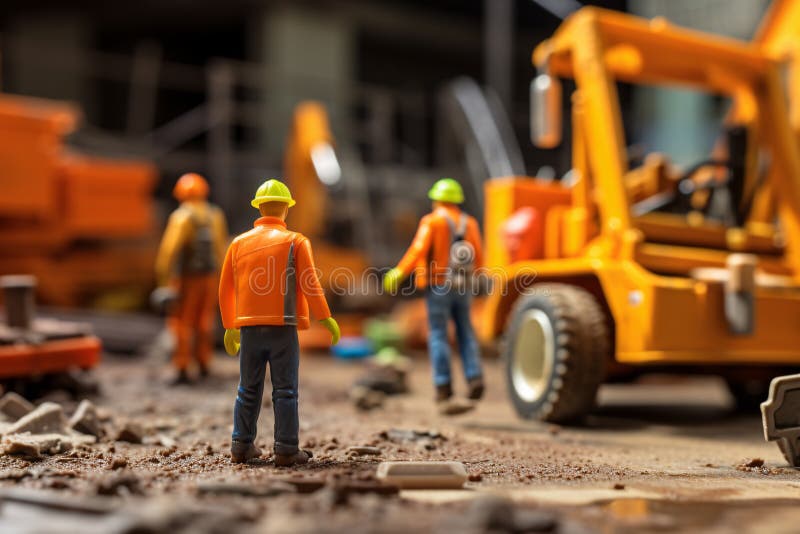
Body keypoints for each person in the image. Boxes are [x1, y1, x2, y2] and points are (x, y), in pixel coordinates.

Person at [219, 178, 340, 465]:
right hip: (283, 329)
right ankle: (285, 448)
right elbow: (310, 284)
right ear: (286, 208)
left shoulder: (238, 243)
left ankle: (241, 445)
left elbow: (225, 288)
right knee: (285, 390)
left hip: (248, 327)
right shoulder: (296, 241)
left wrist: (229, 325)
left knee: (247, 388)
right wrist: (326, 317)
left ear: (259, 207)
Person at [383, 178, 484, 413]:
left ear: (437, 199)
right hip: (463, 285)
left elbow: (418, 249)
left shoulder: (432, 221)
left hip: (438, 285)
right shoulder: (470, 224)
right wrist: (477, 281)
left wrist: (399, 272)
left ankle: (443, 386)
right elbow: (479, 256)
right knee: (466, 332)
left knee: (438, 334)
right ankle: (475, 377)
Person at [154, 173, 228, 384]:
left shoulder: (182, 217)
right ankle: (204, 363)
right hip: (210, 278)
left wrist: (163, 282)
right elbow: (221, 249)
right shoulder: (215, 215)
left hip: (187, 279)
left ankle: (182, 367)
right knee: (205, 321)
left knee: (181, 323)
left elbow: (168, 252)